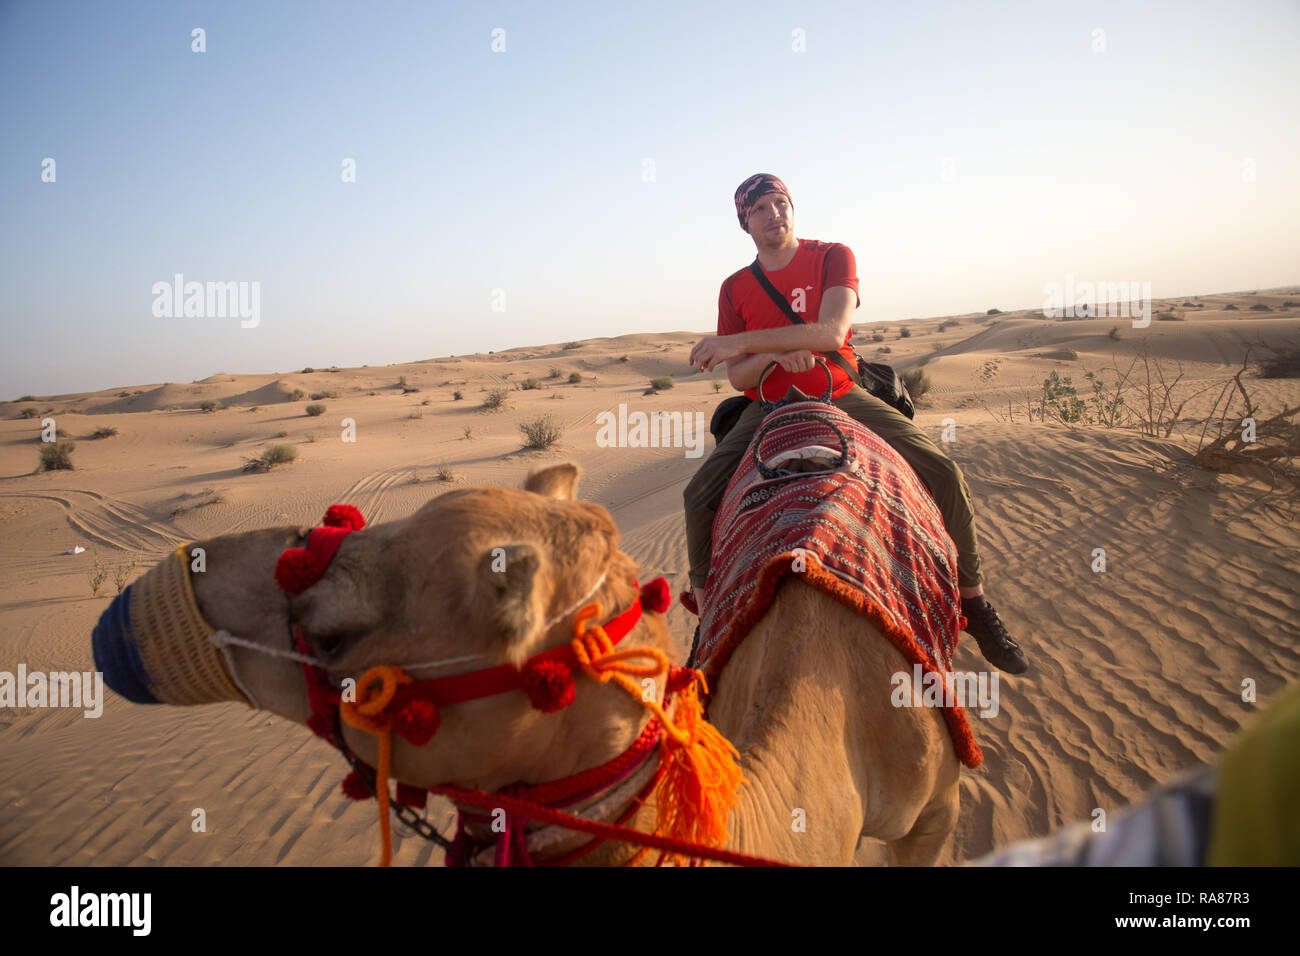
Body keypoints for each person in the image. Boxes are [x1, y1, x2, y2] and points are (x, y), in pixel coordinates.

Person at [684, 173, 1028, 674]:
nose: (775, 214)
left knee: (943, 472)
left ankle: (974, 601)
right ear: (745, 222)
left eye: (781, 203)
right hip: (768, 405)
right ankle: (708, 615)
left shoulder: (832, 256)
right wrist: (779, 359)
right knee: (698, 496)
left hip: (841, 393)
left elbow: (832, 331)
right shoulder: (734, 287)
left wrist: (745, 344)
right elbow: (738, 378)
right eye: (760, 209)